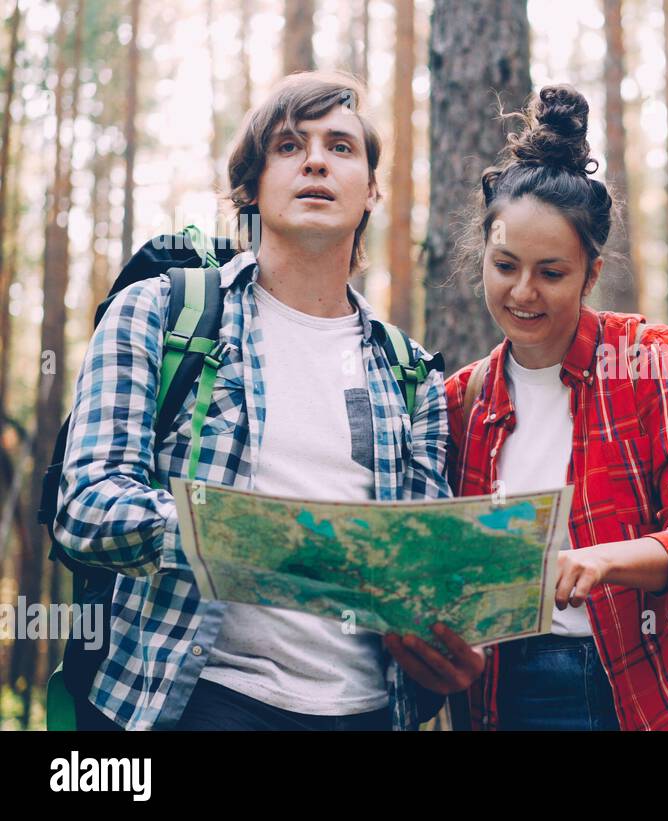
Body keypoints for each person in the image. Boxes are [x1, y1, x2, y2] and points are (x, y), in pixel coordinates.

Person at [53, 71, 482, 731]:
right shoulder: (161, 312)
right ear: (251, 187)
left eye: (340, 146)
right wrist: (260, 542)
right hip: (194, 701)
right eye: (288, 146)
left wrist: (445, 645)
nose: (314, 158)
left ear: (371, 189)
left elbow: (413, 574)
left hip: (368, 711)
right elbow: (85, 507)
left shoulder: (411, 373)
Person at [436, 84, 668, 730]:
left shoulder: (656, 360)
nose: (523, 292)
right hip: (514, 699)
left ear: (590, 273)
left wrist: (608, 558)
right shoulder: (460, 403)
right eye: (505, 266)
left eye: (551, 273)